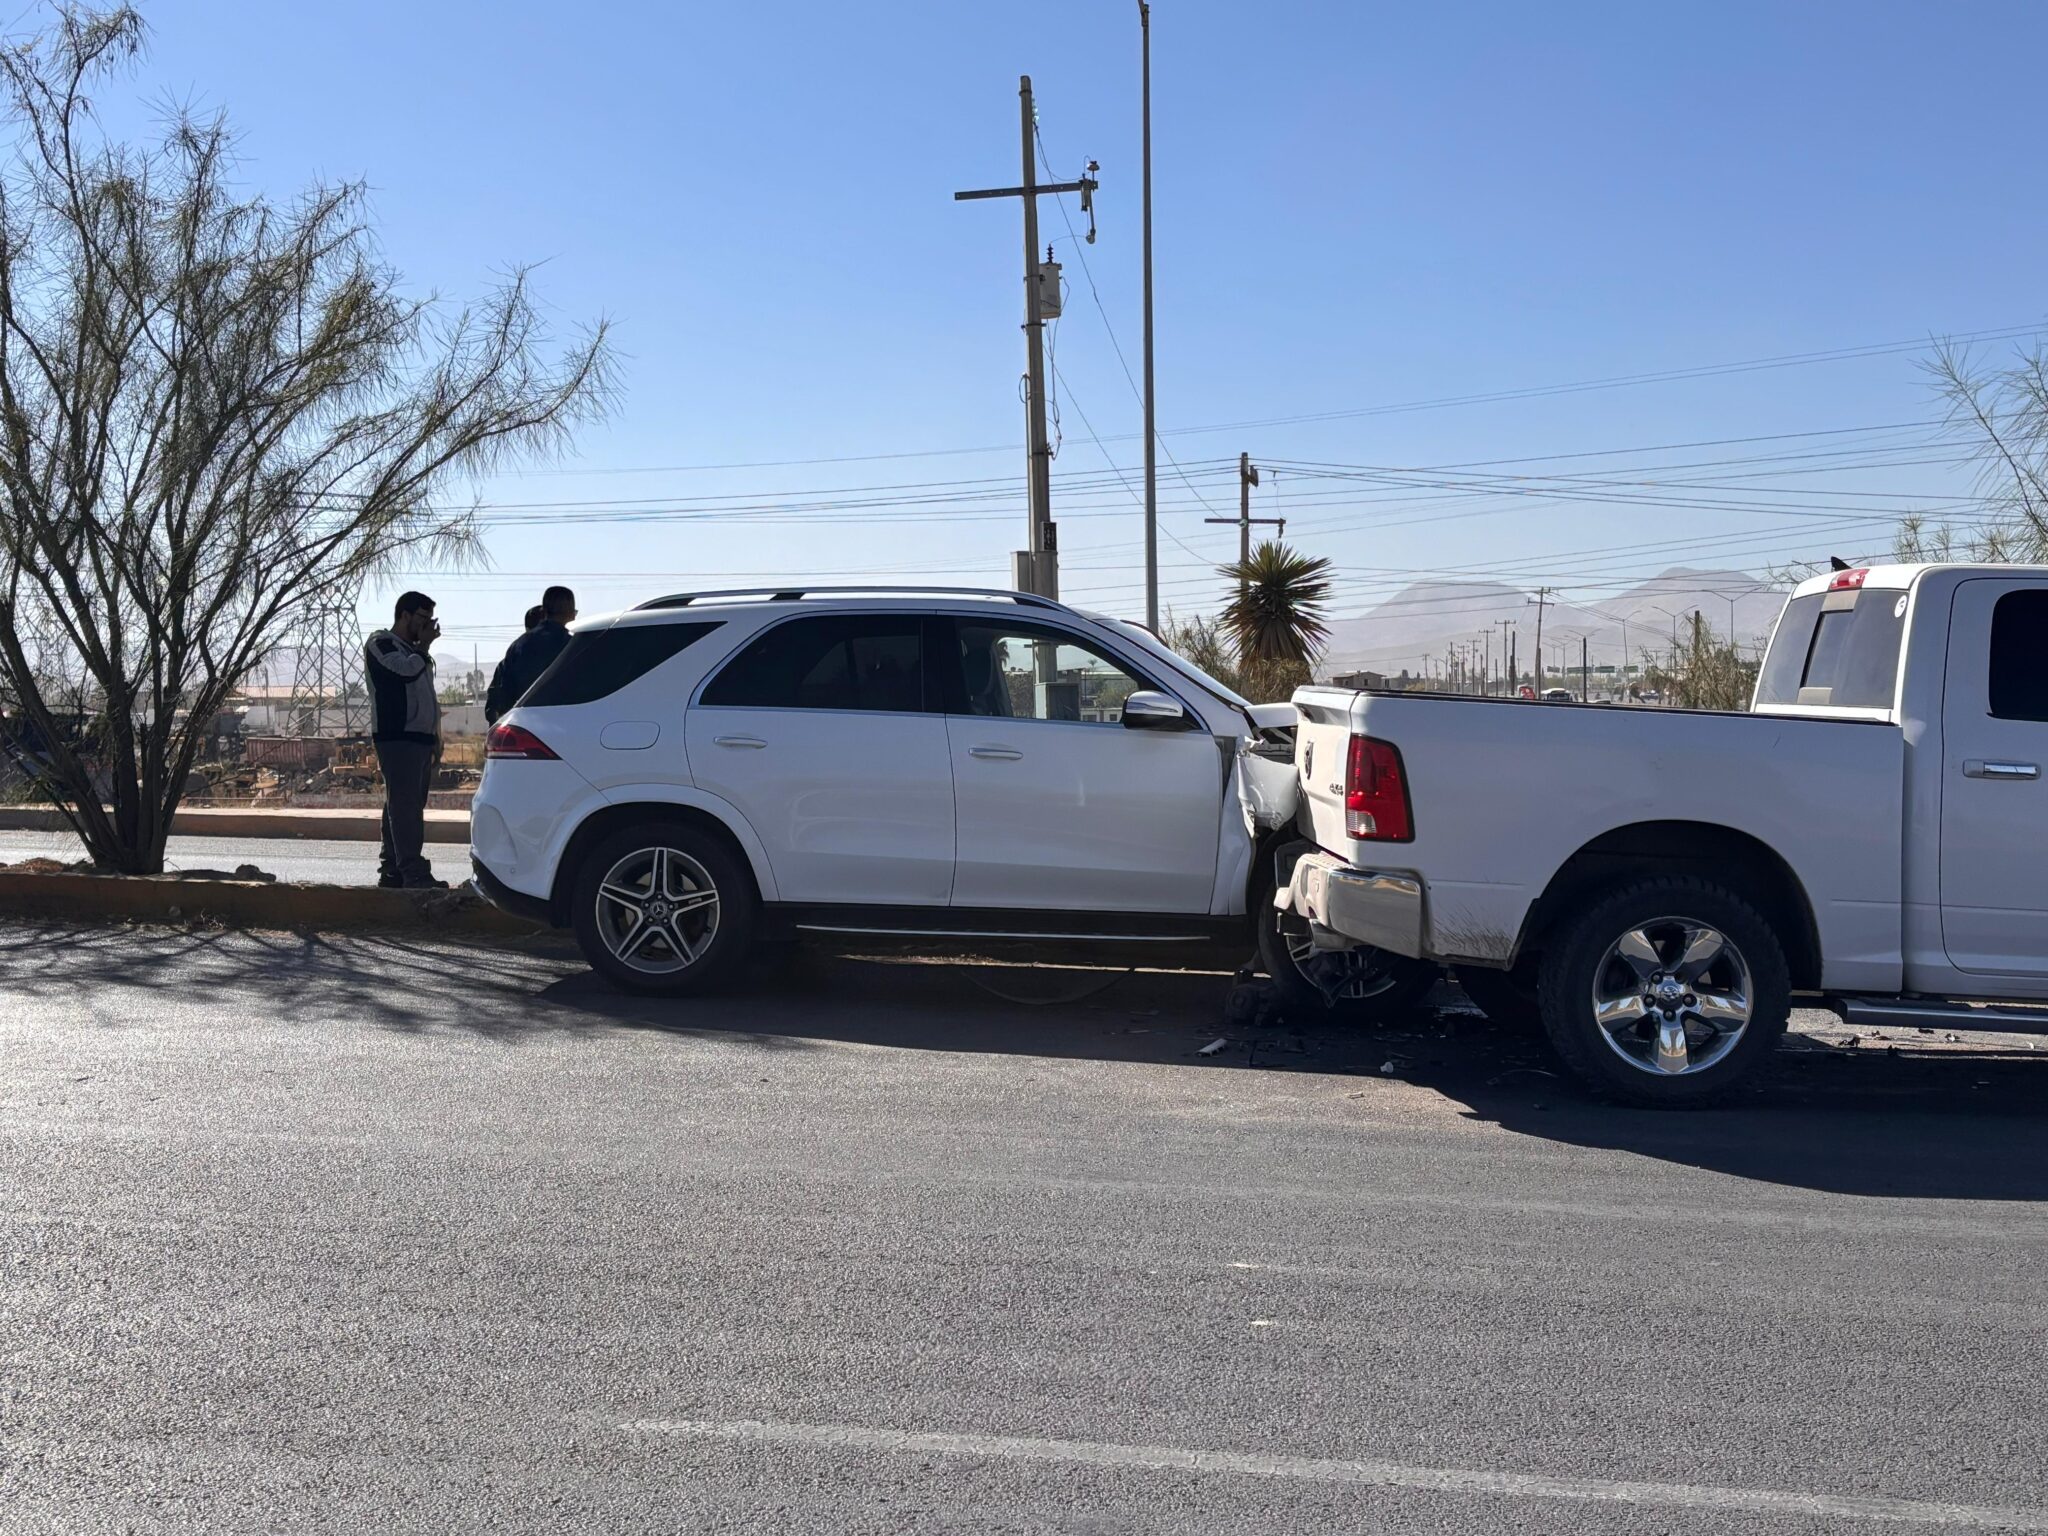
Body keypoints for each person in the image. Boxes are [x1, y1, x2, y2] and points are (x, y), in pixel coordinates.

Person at [365, 591, 445, 889]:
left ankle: (393, 869)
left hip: (420, 739)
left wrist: (435, 738)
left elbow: (428, 699)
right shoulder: (382, 643)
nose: (426, 627)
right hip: (397, 737)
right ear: (405, 615)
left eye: (430, 620)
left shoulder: (415, 652)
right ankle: (413, 872)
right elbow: (404, 672)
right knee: (405, 807)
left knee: (401, 805)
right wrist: (423, 647)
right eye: (422, 619)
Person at [484, 585, 577, 725]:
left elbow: (500, 697)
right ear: (571, 613)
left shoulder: (518, 646)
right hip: (564, 726)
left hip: (525, 727)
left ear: (545, 611)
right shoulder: (573, 646)